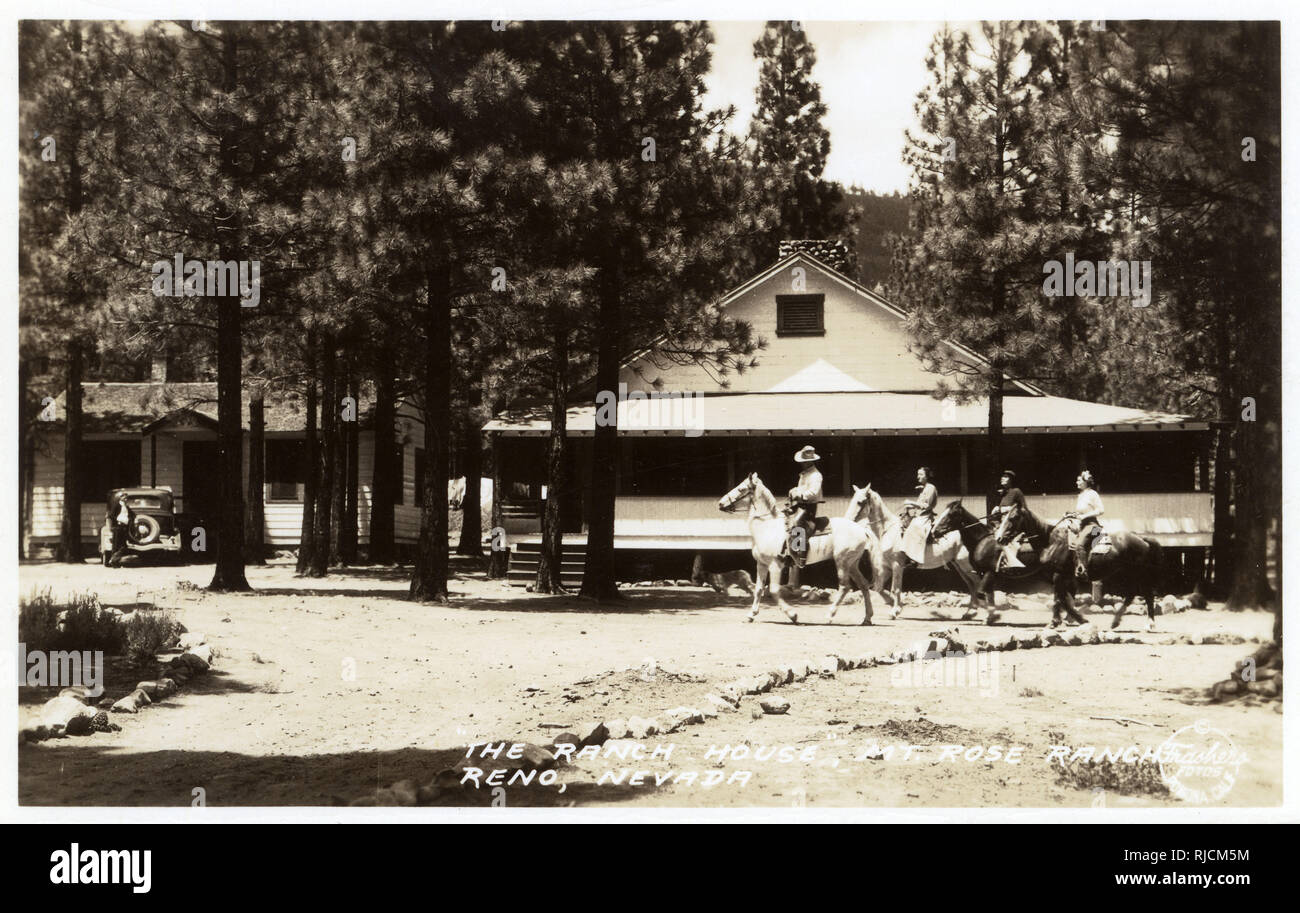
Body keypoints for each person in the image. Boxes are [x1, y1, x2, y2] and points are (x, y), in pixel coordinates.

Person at [785, 445, 824, 567]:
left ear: (810, 461)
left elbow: (813, 493)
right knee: (784, 519)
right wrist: (794, 490)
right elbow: (802, 488)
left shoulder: (816, 475)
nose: (802, 464)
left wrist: (799, 494)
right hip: (800, 505)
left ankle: (800, 557)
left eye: (805, 462)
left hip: (809, 508)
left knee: (797, 524)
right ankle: (786, 552)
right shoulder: (805, 474)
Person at [1069, 470, 1104, 578]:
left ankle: (1083, 570)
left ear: (1085, 482)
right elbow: (1080, 513)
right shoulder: (1081, 495)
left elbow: (1101, 510)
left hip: (1093, 526)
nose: (1076, 482)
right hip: (1082, 526)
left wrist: (1084, 516)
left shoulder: (1093, 494)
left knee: (1079, 544)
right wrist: (1071, 515)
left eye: (1079, 480)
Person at [899, 467, 938, 564]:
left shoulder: (931, 488)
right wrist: (909, 506)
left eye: (921, 474)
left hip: (925, 517)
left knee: (914, 528)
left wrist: (910, 502)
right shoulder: (925, 488)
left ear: (927, 476)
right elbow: (919, 505)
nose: (918, 477)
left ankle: (915, 558)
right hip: (919, 515)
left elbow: (926, 506)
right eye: (918, 474)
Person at [990, 470, 1027, 543]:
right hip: (1002, 526)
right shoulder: (1004, 494)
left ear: (1011, 480)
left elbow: (1024, 509)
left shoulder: (1016, 491)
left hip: (1011, 528)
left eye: (1005, 477)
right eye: (1002, 476)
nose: (1002, 478)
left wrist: (1008, 509)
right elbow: (1000, 512)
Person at [107, 492, 133, 568]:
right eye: (124, 497)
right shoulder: (117, 505)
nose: (126, 499)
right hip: (118, 527)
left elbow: (131, 514)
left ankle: (114, 560)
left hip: (124, 527)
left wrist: (135, 518)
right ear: (120, 498)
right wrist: (118, 521)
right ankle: (114, 563)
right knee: (116, 545)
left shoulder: (126, 507)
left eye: (127, 498)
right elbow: (111, 515)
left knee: (123, 546)